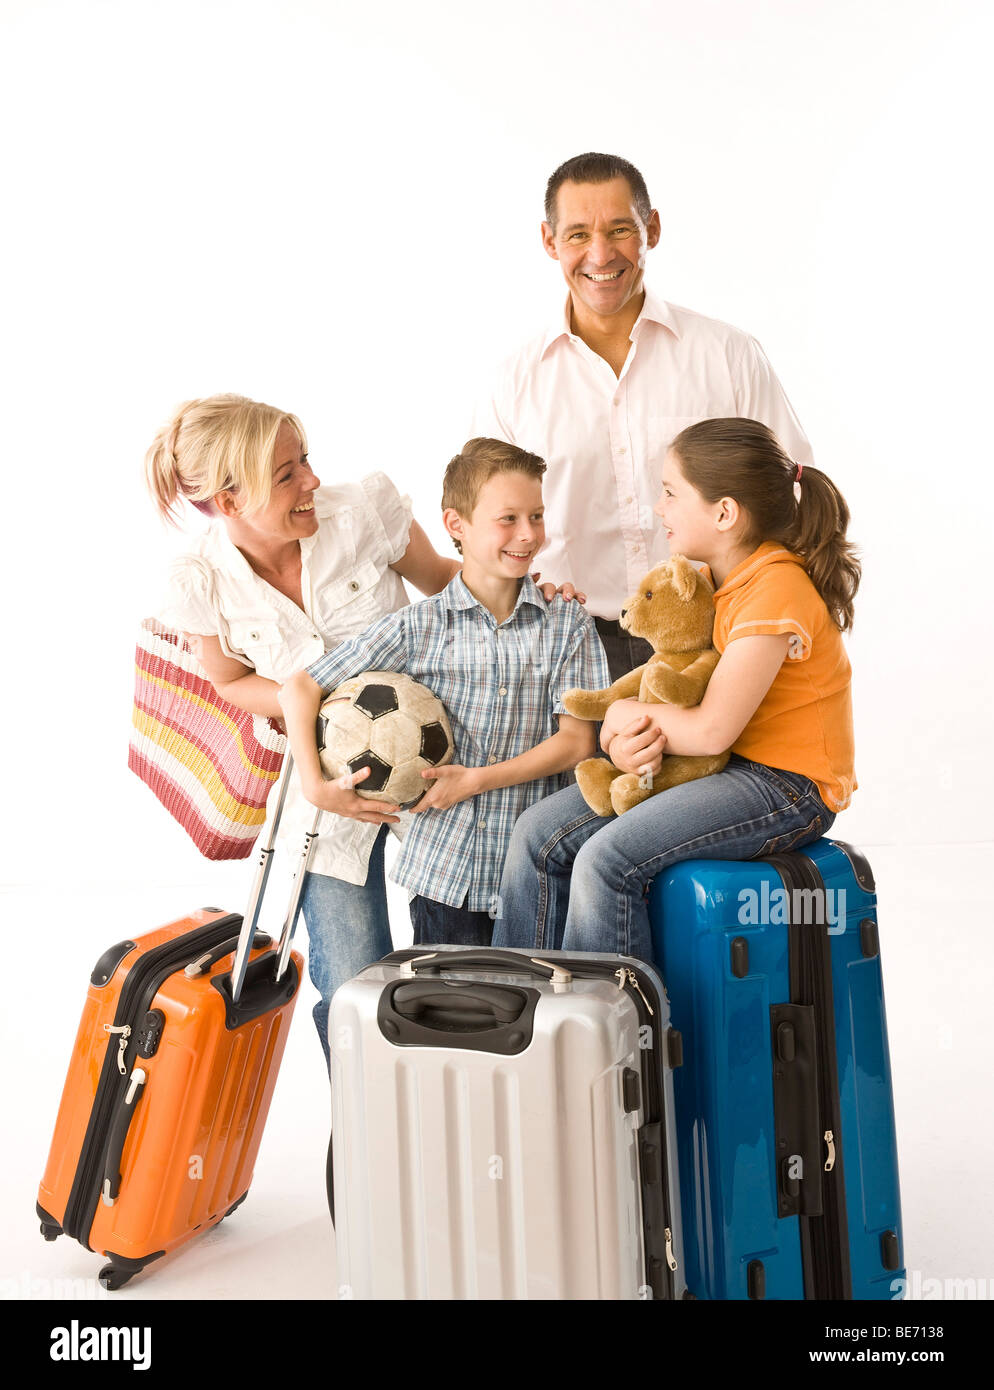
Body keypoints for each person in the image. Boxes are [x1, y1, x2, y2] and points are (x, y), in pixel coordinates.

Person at [145, 393, 465, 1065]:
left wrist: (525, 584)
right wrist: (299, 705)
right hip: (319, 796)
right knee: (352, 982)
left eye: (306, 461)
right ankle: (368, 1134)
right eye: (287, 474)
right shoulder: (200, 581)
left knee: (465, 962)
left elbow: (446, 585)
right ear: (230, 503)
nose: (312, 481)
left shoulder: (365, 511)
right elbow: (230, 681)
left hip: (435, 764)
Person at [491, 417, 860, 962]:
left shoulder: (776, 590)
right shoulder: (719, 582)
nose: (657, 508)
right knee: (536, 833)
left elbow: (710, 730)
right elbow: (683, 700)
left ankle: (611, 1036)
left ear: (725, 513)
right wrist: (625, 739)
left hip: (788, 787)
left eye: (669, 493)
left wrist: (621, 717)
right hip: (731, 766)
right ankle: (524, 1013)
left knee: (606, 860)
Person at [473, 151, 814, 694]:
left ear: (651, 228)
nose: (600, 254)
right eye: (578, 234)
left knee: (704, 779)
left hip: (715, 637)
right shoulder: (515, 380)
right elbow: (481, 527)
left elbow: (792, 497)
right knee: (583, 782)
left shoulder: (727, 355)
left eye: (620, 229)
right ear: (549, 241)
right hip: (564, 649)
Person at [278, 437, 610, 950]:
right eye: (508, 519)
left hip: (539, 880)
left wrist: (476, 780)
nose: (528, 535)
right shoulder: (418, 627)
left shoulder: (566, 623)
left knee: (538, 1021)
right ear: (456, 524)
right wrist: (314, 785)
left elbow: (576, 743)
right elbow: (301, 687)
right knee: (453, 1027)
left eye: (537, 516)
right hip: (446, 878)